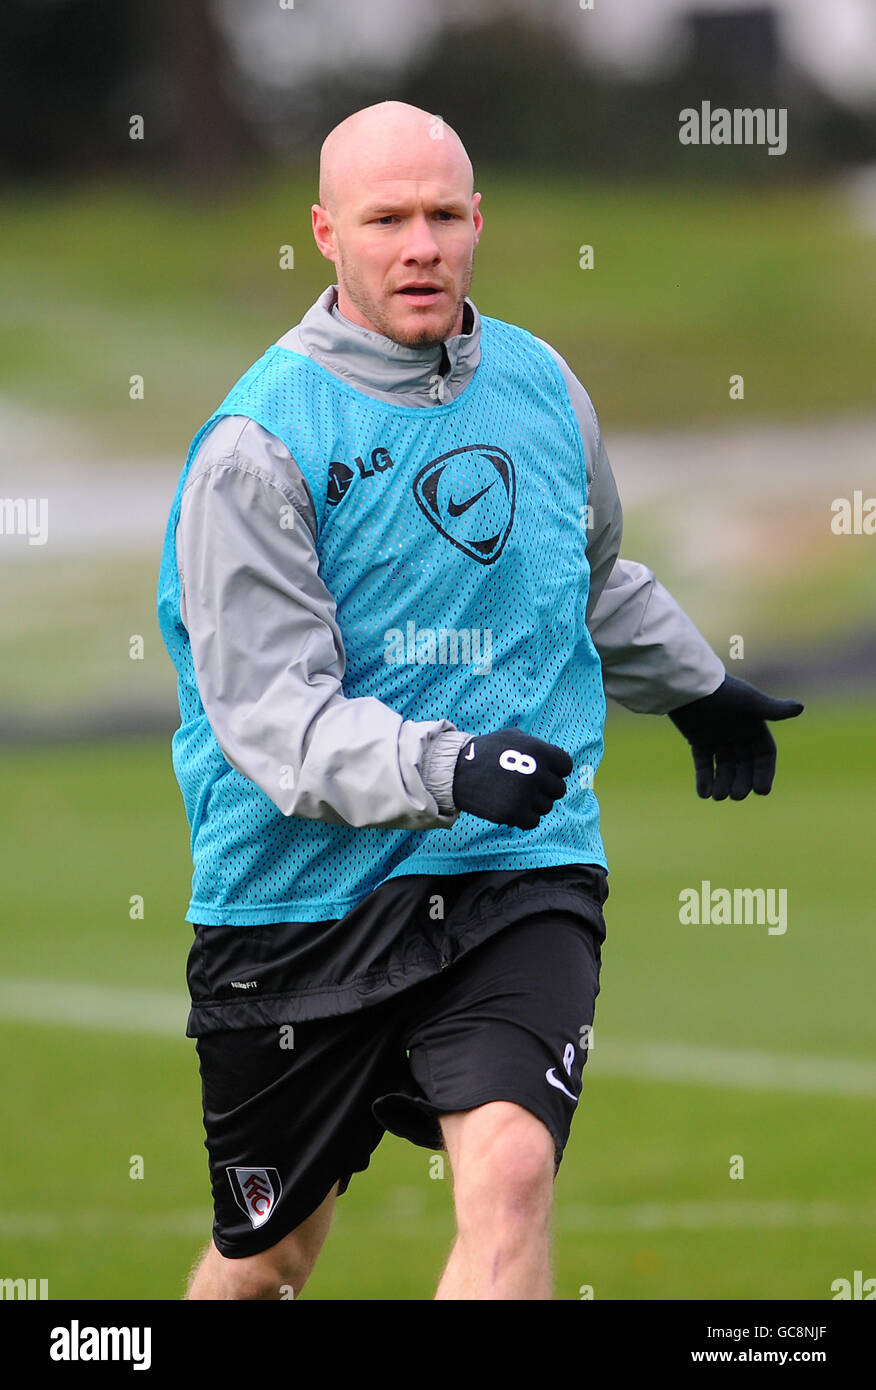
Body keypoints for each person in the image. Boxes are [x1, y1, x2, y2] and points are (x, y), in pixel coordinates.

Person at [157, 101, 803, 1301]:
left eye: (444, 216)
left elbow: (586, 571)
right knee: (270, 1258)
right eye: (387, 219)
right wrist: (449, 764)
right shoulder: (258, 446)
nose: (420, 246)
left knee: (508, 1175)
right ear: (324, 233)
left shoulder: (541, 384)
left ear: (478, 223)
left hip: (516, 868)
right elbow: (273, 720)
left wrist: (697, 682)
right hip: (296, 898)